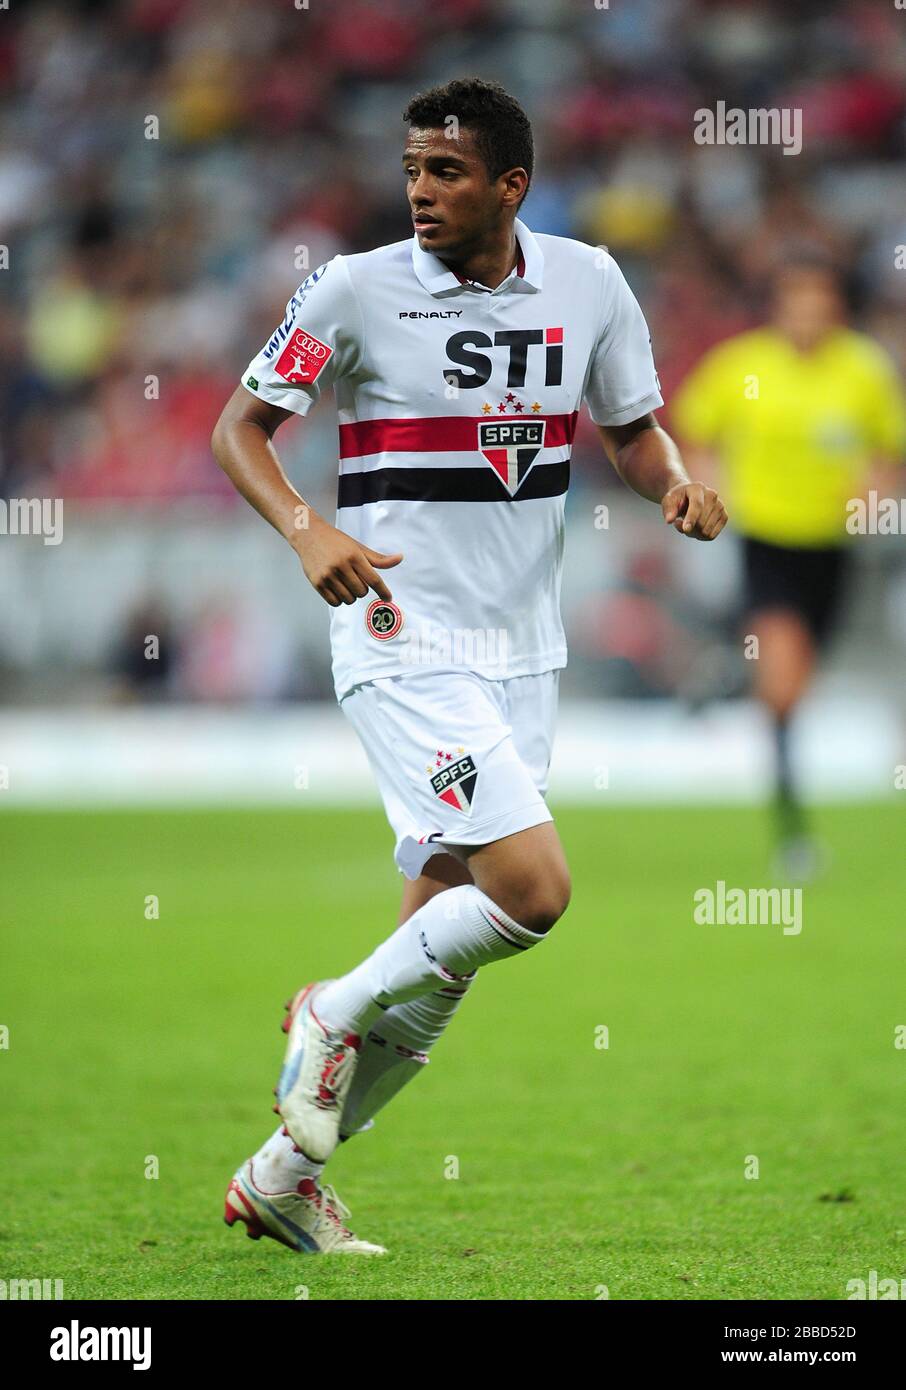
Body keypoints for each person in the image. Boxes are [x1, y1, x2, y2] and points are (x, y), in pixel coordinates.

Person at [212, 77, 727, 1255]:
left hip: (521, 654)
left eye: (445, 173)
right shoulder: (354, 287)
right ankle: (324, 1009)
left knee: (439, 961)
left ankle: (287, 1175)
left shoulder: (590, 280)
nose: (419, 192)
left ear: (512, 185)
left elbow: (631, 427)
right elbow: (238, 425)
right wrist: (308, 528)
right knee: (534, 891)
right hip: (400, 636)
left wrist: (676, 484)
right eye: (411, 171)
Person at [672, 256, 906, 878]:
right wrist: (705, 483)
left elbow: (888, 449)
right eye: (797, 299)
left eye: (819, 299)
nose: (808, 313)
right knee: (781, 686)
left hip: (833, 549)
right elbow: (692, 432)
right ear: (778, 306)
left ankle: (724, 671)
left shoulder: (864, 369)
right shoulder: (742, 367)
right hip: (766, 542)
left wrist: (874, 491)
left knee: (797, 686)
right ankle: (793, 833)